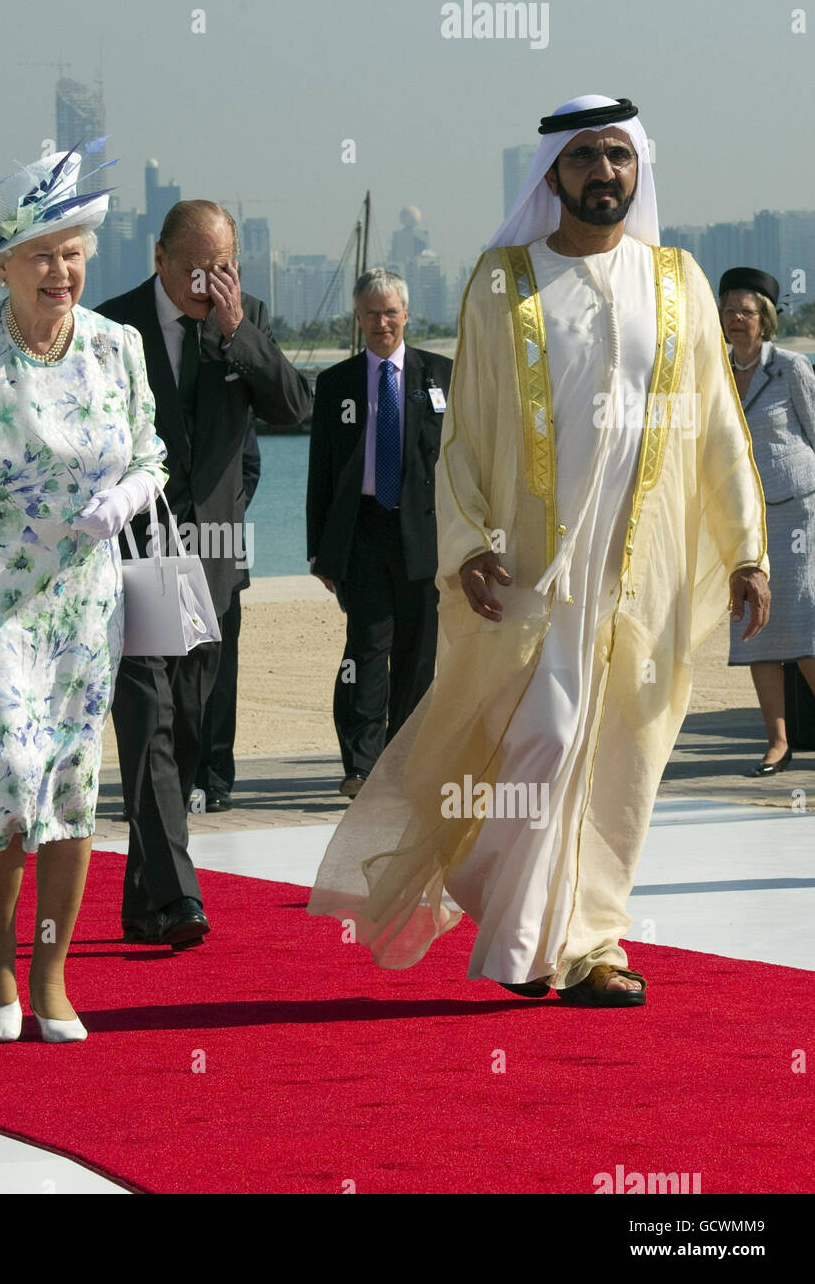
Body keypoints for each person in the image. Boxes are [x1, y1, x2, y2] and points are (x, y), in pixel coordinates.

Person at [308, 95, 769, 1008]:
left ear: (637, 168)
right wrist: (472, 542)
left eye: (618, 157)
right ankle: (514, 914)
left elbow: (719, 428)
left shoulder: (676, 279)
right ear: (552, 173)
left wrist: (747, 550)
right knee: (541, 741)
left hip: (643, 571)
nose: (604, 173)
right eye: (585, 158)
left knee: (624, 758)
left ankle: (584, 944)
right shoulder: (501, 283)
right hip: (534, 571)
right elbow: (466, 438)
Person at [0, 142, 166, 1041]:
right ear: (4, 264)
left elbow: (152, 457)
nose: (62, 270)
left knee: (70, 790)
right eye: (42, 253)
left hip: (81, 604)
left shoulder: (118, 347)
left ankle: (51, 975)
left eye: (75, 249)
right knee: (9, 777)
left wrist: (120, 499)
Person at [96, 201, 312, 947]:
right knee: (148, 714)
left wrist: (234, 332)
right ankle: (182, 897)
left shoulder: (240, 316)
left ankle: (145, 899)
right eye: (193, 268)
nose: (206, 282)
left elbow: (291, 406)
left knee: (188, 726)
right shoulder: (110, 326)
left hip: (212, 553)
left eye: (221, 268)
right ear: (158, 258)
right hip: (138, 549)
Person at [307, 268, 452, 798]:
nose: (381, 322)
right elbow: (319, 472)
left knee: (418, 654)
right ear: (359, 318)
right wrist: (319, 551)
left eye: (390, 312)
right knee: (364, 651)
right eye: (371, 313)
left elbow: (461, 465)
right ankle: (361, 765)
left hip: (424, 536)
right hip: (362, 532)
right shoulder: (336, 383)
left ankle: (407, 760)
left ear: (406, 316)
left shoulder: (442, 376)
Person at [720, 267, 815, 775]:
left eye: (746, 310)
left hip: (799, 513)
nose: (736, 318)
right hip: (744, 521)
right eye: (730, 309)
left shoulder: (792, 368)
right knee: (758, 627)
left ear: (765, 319)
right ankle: (777, 743)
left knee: (804, 626)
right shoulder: (712, 371)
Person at [195, 415, 260, 812]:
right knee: (164, 676)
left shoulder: (230, 394)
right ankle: (171, 780)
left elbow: (249, 467)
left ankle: (216, 780)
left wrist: (221, 514)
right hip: (162, 546)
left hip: (222, 550)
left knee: (220, 675)